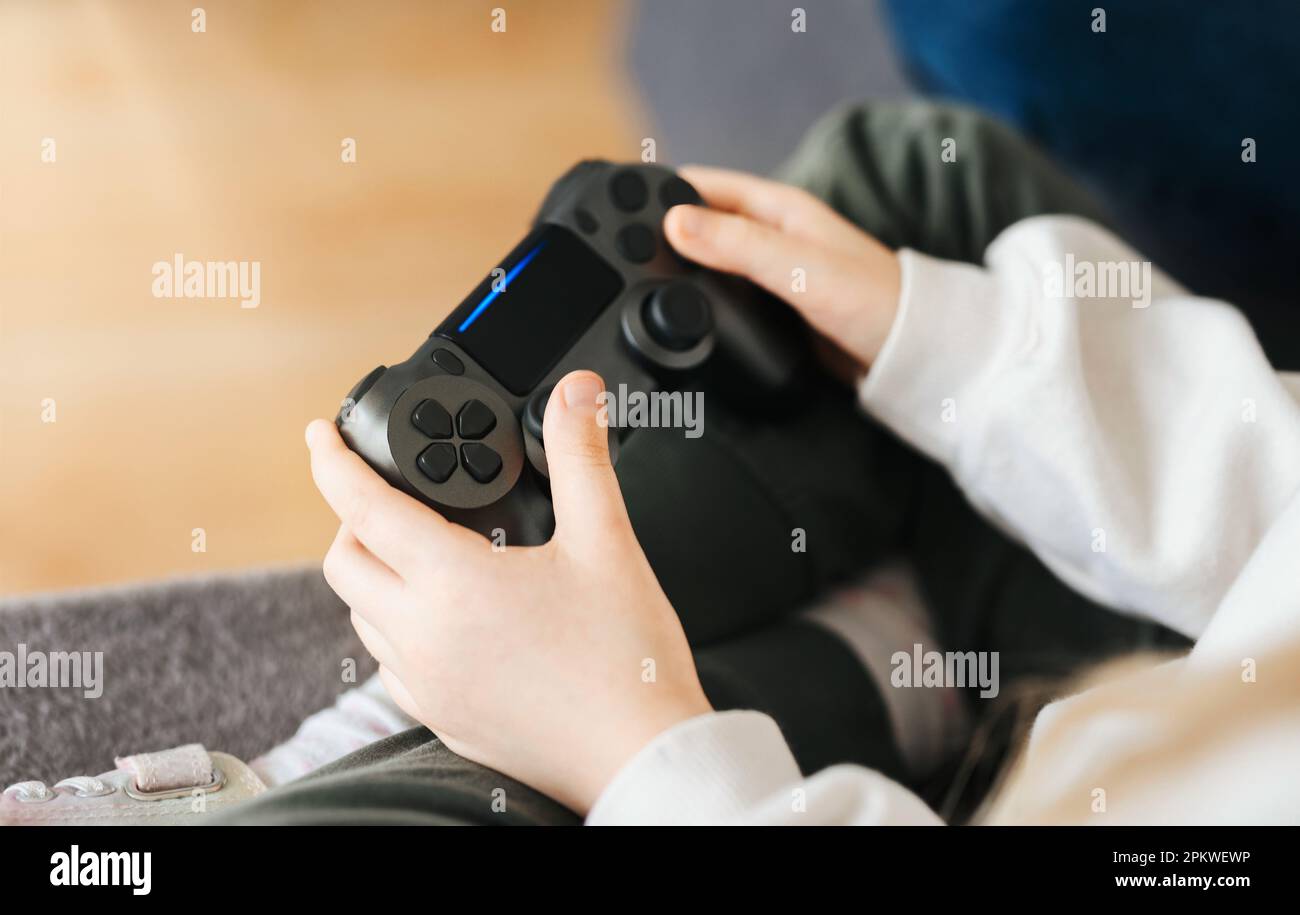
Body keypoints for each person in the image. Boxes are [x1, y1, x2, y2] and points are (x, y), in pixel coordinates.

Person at [7, 103, 1294, 825]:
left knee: (533, 755)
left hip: (1094, 762)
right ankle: (902, 645)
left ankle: (301, 785)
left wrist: (633, 752)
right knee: (886, 191)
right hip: (1153, 628)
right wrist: (936, 337)